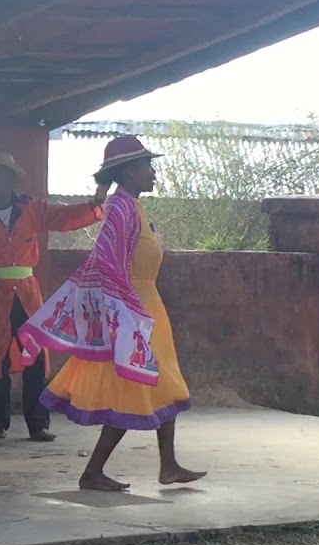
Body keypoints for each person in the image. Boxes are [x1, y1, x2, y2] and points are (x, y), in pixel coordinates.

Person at [18, 135, 205, 491]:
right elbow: (106, 262)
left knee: (162, 385)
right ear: (131, 171)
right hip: (134, 309)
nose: (153, 172)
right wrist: (126, 311)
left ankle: (168, 464)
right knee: (136, 386)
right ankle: (95, 471)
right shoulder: (120, 209)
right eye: (147, 166)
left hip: (147, 307)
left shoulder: (133, 207)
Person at [0, 151, 106, 442]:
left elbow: (62, 217)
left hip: (27, 291)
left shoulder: (31, 208)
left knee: (35, 357)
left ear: (10, 178)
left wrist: (95, 204)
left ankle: (38, 424)